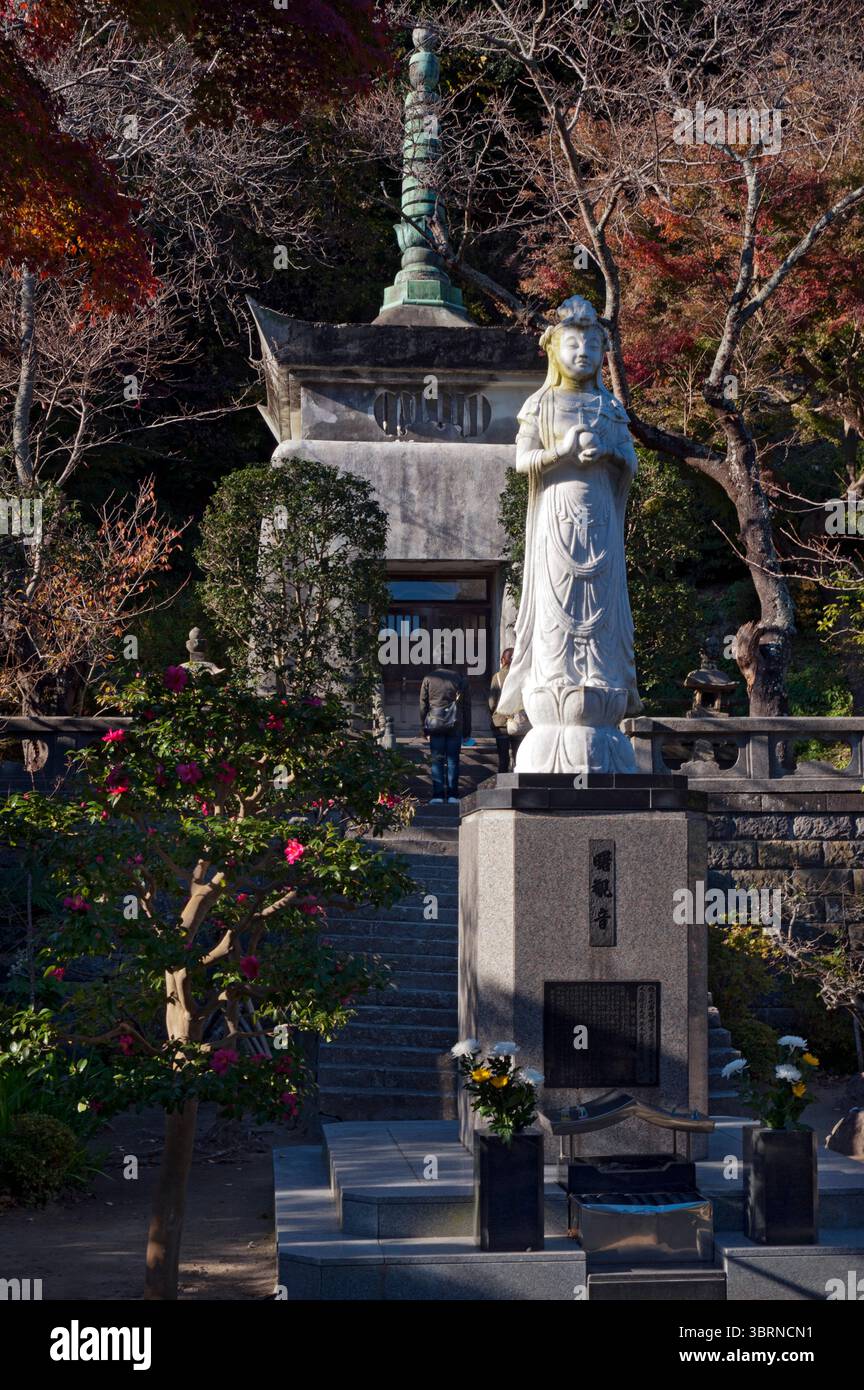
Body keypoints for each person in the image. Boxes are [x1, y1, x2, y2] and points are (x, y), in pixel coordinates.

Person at [419, 663, 471, 803]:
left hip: (435, 724)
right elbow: (466, 706)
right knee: (453, 760)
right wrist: (467, 731)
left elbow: (423, 705)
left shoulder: (429, 678)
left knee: (437, 760)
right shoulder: (460, 678)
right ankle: (453, 795)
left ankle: (438, 796)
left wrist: (424, 727)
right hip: (455, 724)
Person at [488, 647, 525, 773]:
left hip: (501, 723)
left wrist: (493, 713)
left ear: (503, 660)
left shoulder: (497, 677)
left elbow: (492, 702)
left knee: (503, 758)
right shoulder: (522, 676)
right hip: (518, 721)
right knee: (518, 757)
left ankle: (502, 783)